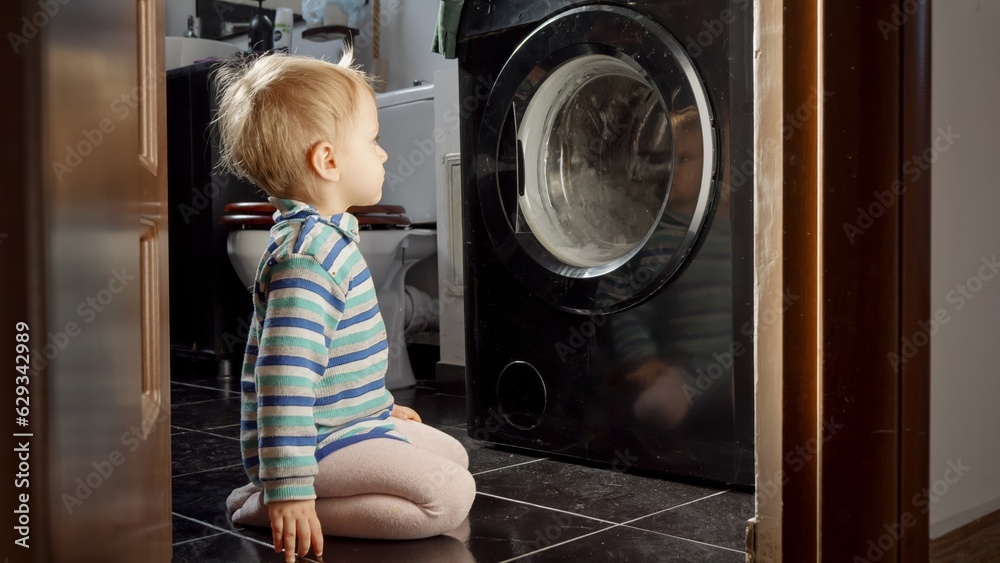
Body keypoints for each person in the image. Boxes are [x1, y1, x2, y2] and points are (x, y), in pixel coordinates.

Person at [213, 51, 475, 562]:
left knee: (453, 457)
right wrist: (291, 486)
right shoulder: (307, 260)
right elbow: (284, 376)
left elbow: (336, 359)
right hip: (314, 446)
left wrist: (374, 406)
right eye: (373, 141)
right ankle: (270, 505)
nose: (383, 155)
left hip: (345, 425)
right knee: (447, 498)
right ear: (328, 160)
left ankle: (297, 486)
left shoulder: (330, 238)